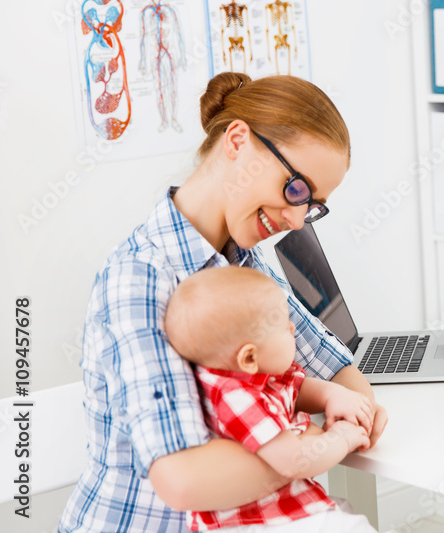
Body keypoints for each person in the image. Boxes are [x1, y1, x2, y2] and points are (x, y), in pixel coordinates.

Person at [60, 72, 388, 533]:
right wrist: (303, 449)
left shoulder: (245, 264)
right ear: (237, 142)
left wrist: (321, 430)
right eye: (294, 188)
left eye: (311, 205)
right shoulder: (139, 278)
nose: (296, 221)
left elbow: (337, 370)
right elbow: (185, 481)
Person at [163, 266, 380, 532]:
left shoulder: (258, 375)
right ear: (249, 357)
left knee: (349, 514)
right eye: (282, 325)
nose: (292, 328)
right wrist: (341, 438)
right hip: (257, 522)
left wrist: (334, 394)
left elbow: (297, 389)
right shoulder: (235, 397)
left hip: (286, 509)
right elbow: (294, 459)